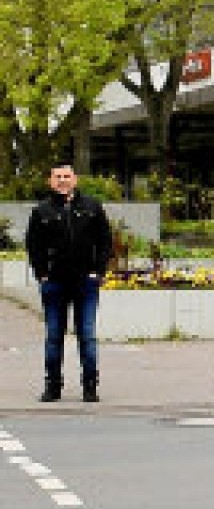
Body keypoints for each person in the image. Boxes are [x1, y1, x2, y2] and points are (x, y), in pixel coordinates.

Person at [25, 163, 113, 403]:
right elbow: (33, 246)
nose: (62, 180)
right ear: (50, 181)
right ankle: (52, 386)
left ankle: (90, 386)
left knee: (87, 335)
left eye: (67, 176)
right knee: (54, 336)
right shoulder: (41, 211)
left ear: (75, 180)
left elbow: (105, 241)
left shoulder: (92, 207)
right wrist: (42, 273)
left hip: (86, 282)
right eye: (58, 176)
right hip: (54, 283)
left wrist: (98, 271)